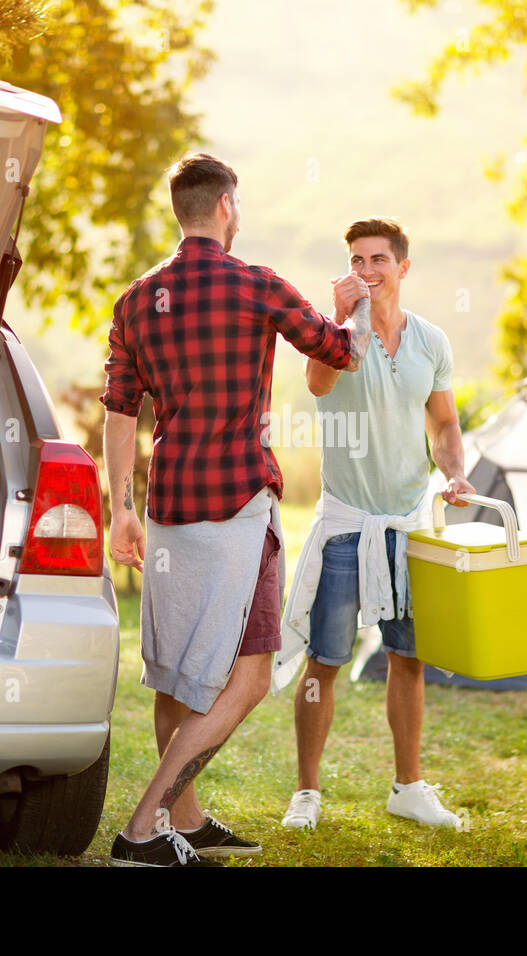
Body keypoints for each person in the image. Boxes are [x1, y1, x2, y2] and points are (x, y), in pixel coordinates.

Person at [101, 153, 373, 866]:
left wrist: (119, 510)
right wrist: (352, 307)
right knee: (250, 676)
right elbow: (340, 353)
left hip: (166, 512)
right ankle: (142, 826)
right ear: (225, 207)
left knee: (174, 676)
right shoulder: (253, 284)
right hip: (237, 507)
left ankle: (184, 822)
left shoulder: (136, 300)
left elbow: (120, 413)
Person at [276, 217, 475, 831]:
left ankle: (409, 787)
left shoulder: (431, 342)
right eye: (357, 260)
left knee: (407, 657)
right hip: (346, 523)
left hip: (410, 522)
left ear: (403, 267)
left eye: (379, 259)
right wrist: (342, 321)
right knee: (325, 662)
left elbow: (442, 424)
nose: (367, 270)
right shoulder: (333, 336)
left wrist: (455, 473)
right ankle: (307, 792)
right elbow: (317, 380)